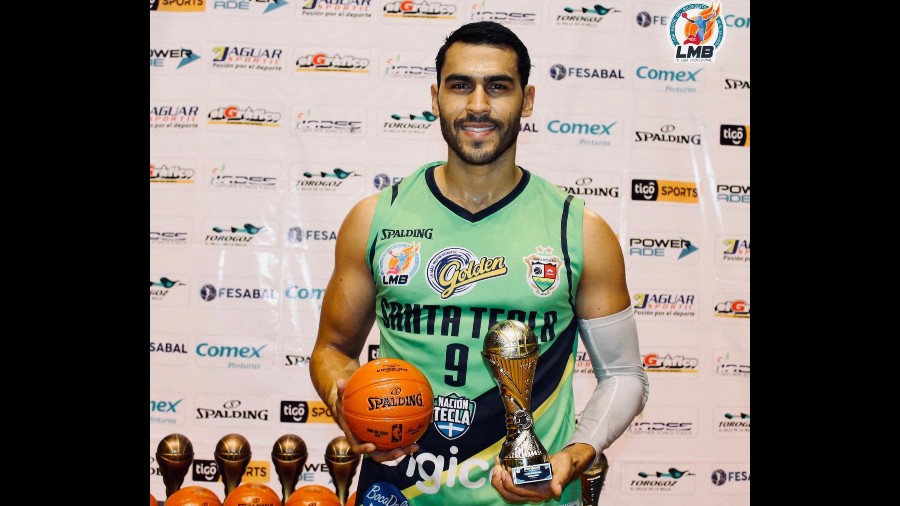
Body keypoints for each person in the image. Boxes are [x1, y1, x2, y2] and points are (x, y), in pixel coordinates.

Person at [310, 21, 649, 505]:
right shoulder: (375, 219)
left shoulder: (578, 230)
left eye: (498, 87)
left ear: (527, 101)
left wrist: (573, 455)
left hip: (529, 495)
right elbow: (332, 348)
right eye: (460, 85)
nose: (477, 105)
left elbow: (624, 376)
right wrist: (346, 403)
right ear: (436, 97)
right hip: (400, 493)